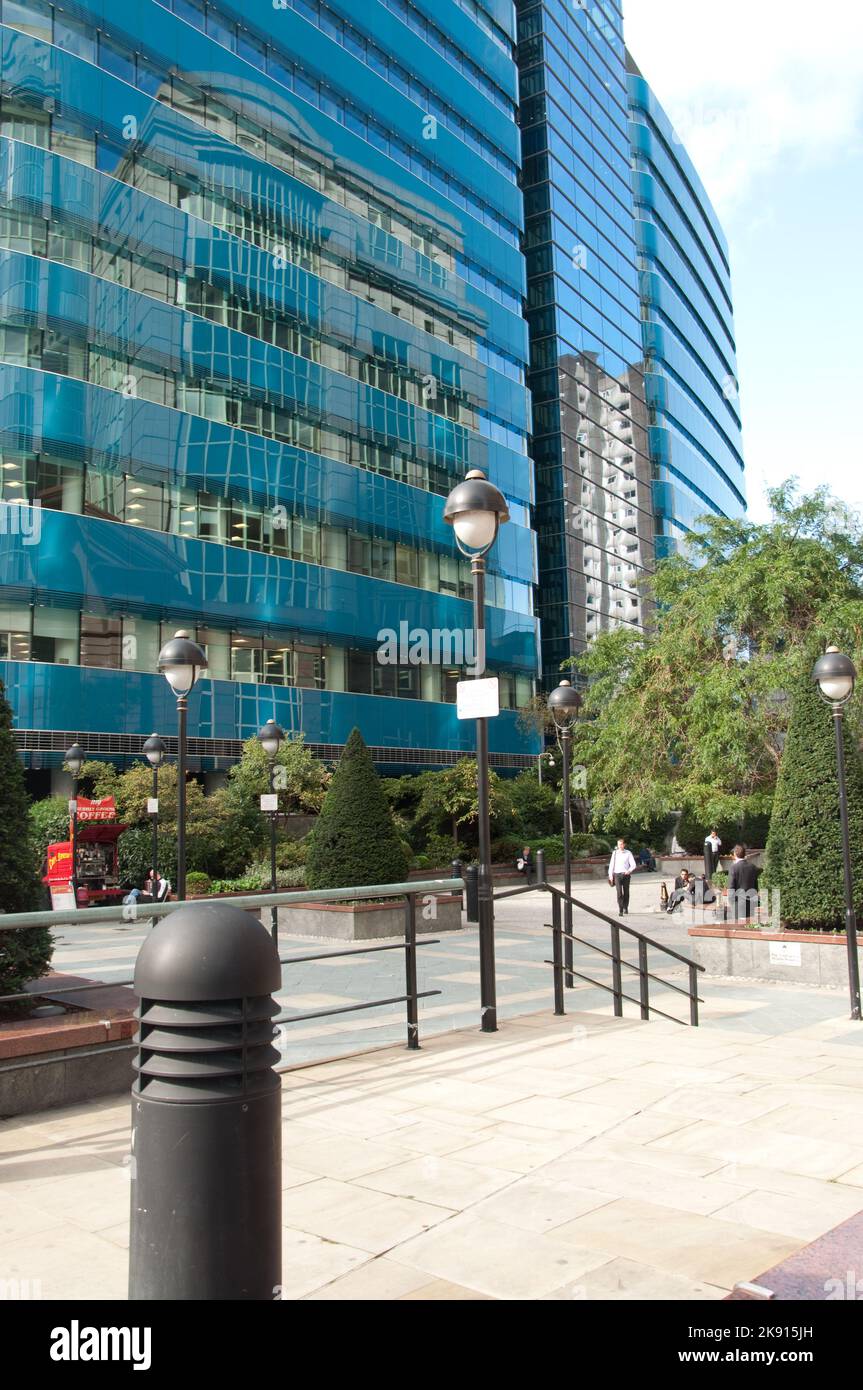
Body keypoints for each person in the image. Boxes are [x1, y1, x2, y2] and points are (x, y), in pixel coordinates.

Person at [728, 845, 761, 921]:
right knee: (749, 925)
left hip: (738, 902)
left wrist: (731, 901)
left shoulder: (733, 867)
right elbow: (756, 885)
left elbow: (731, 886)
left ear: (735, 854)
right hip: (751, 901)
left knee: (738, 926)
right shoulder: (753, 867)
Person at [608, 838, 637, 915]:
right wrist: (610, 876)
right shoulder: (614, 853)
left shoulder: (628, 853)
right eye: (618, 844)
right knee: (619, 893)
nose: (620, 846)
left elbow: (633, 864)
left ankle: (625, 907)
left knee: (626, 892)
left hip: (626, 875)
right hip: (617, 875)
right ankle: (620, 909)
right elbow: (611, 865)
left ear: (624, 845)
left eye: (621, 844)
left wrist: (629, 871)